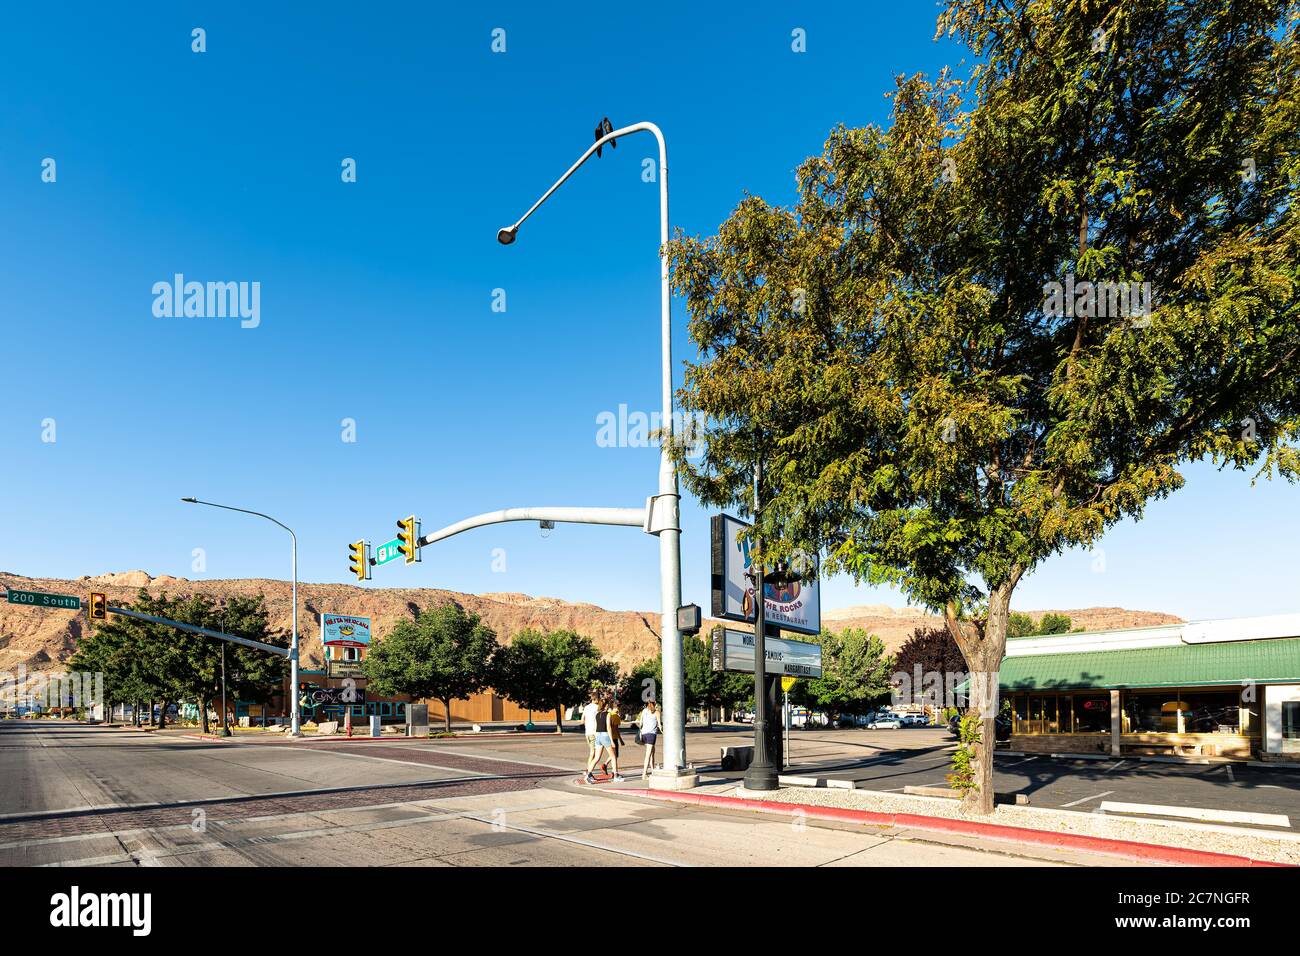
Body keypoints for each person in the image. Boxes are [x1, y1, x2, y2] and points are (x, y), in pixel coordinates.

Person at [585, 696, 622, 784]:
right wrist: (612, 741)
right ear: (605, 706)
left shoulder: (597, 714)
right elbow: (608, 727)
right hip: (605, 735)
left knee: (597, 757)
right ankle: (616, 776)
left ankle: (588, 775)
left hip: (598, 735)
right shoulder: (607, 714)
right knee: (613, 756)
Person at [638, 699, 660, 780]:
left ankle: (653, 771)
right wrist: (662, 730)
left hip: (644, 734)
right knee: (648, 754)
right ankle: (644, 774)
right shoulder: (656, 712)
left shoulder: (644, 711)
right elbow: (659, 725)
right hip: (651, 735)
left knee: (652, 752)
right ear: (655, 704)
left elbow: (640, 723)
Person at [581, 689, 600, 768]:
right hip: (594, 732)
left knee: (593, 752)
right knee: (593, 753)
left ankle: (589, 770)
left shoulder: (586, 707)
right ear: (596, 699)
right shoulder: (597, 707)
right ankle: (588, 771)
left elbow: (582, 720)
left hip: (587, 732)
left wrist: (587, 724)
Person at [606, 693, 624, 765]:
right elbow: (616, 730)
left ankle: (605, 765)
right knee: (615, 755)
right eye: (619, 706)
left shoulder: (609, 713)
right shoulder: (616, 716)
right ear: (616, 707)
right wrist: (621, 740)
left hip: (606, 737)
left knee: (612, 754)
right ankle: (613, 770)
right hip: (614, 738)